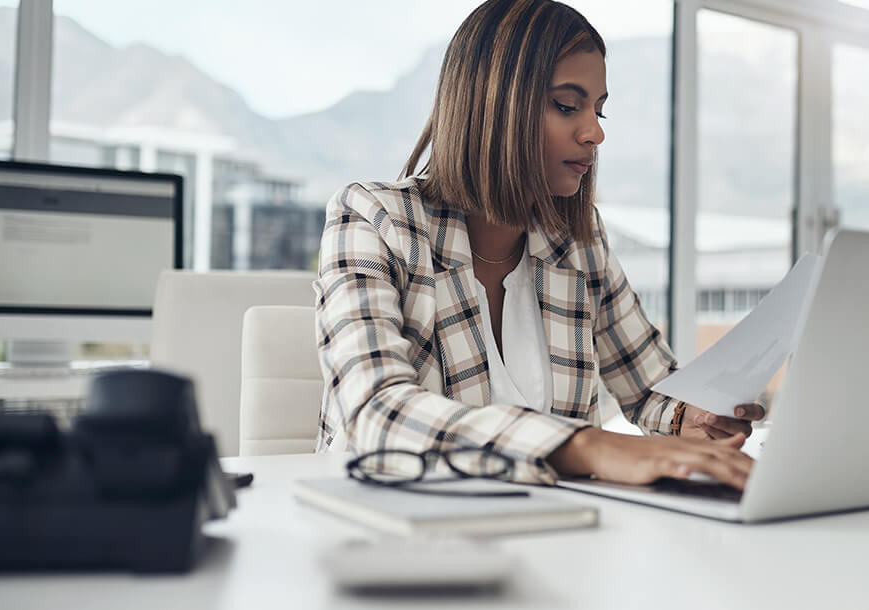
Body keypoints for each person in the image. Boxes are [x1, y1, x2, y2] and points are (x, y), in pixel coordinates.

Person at [314, 0, 763, 489]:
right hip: (390, 529)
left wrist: (691, 418)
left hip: (551, 529)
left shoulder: (576, 242)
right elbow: (376, 412)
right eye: (567, 106)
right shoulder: (373, 218)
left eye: (599, 110)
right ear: (492, 106)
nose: (595, 132)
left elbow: (651, 388)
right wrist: (585, 444)